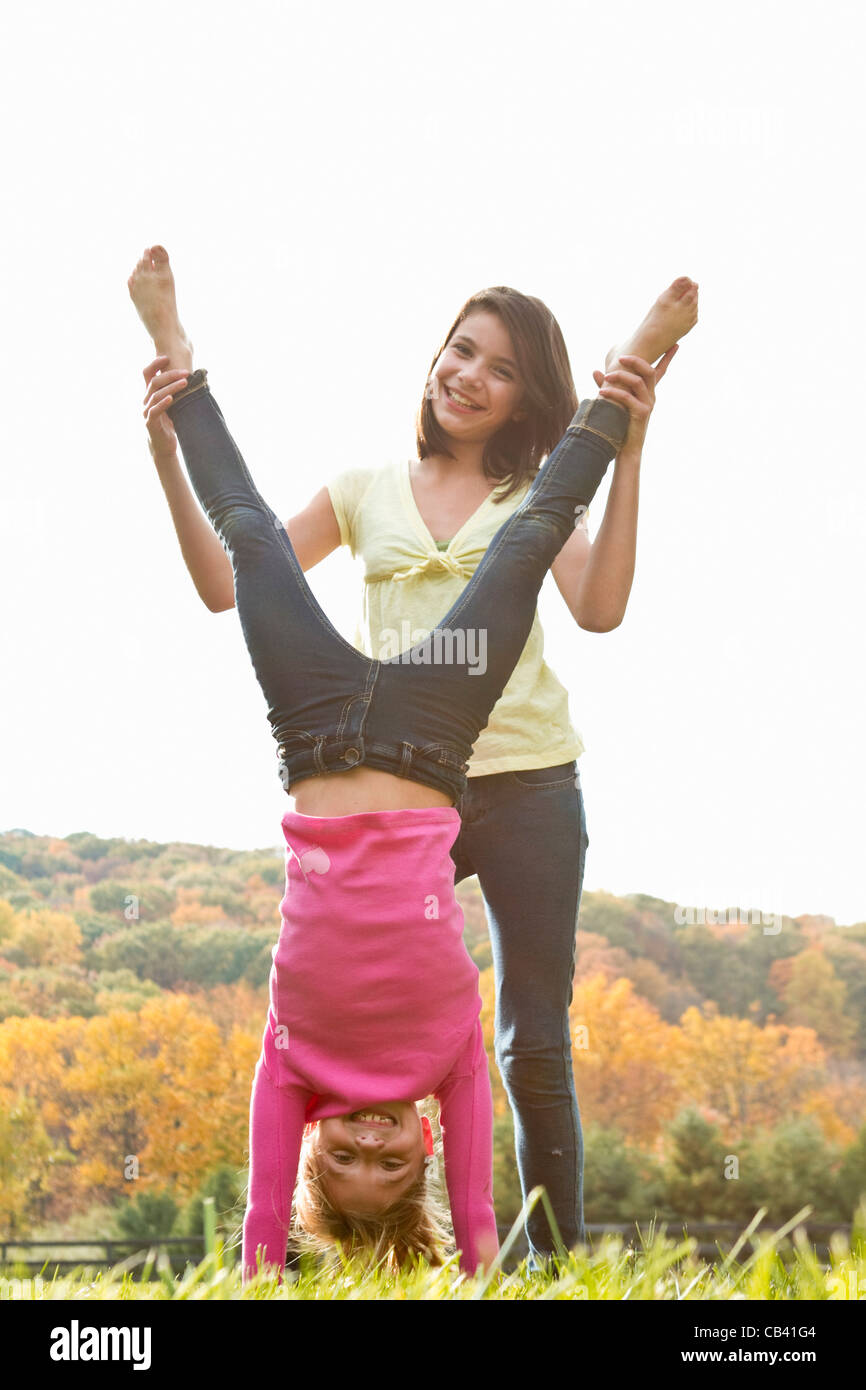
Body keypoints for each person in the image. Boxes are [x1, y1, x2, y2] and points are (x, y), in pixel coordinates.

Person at [128, 248, 694, 1276]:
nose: (466, 374)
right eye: (459, 349)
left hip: (519, 781)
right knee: (271, 545)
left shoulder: (527, 491)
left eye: (499, 367)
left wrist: (634, 448)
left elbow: (599, 609)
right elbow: (227, 580)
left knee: (532, 1039)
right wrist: (165, 448)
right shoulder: (366, 489)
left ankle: (551, 1265)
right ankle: (176, 362)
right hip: (414, 756)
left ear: (528, 398)